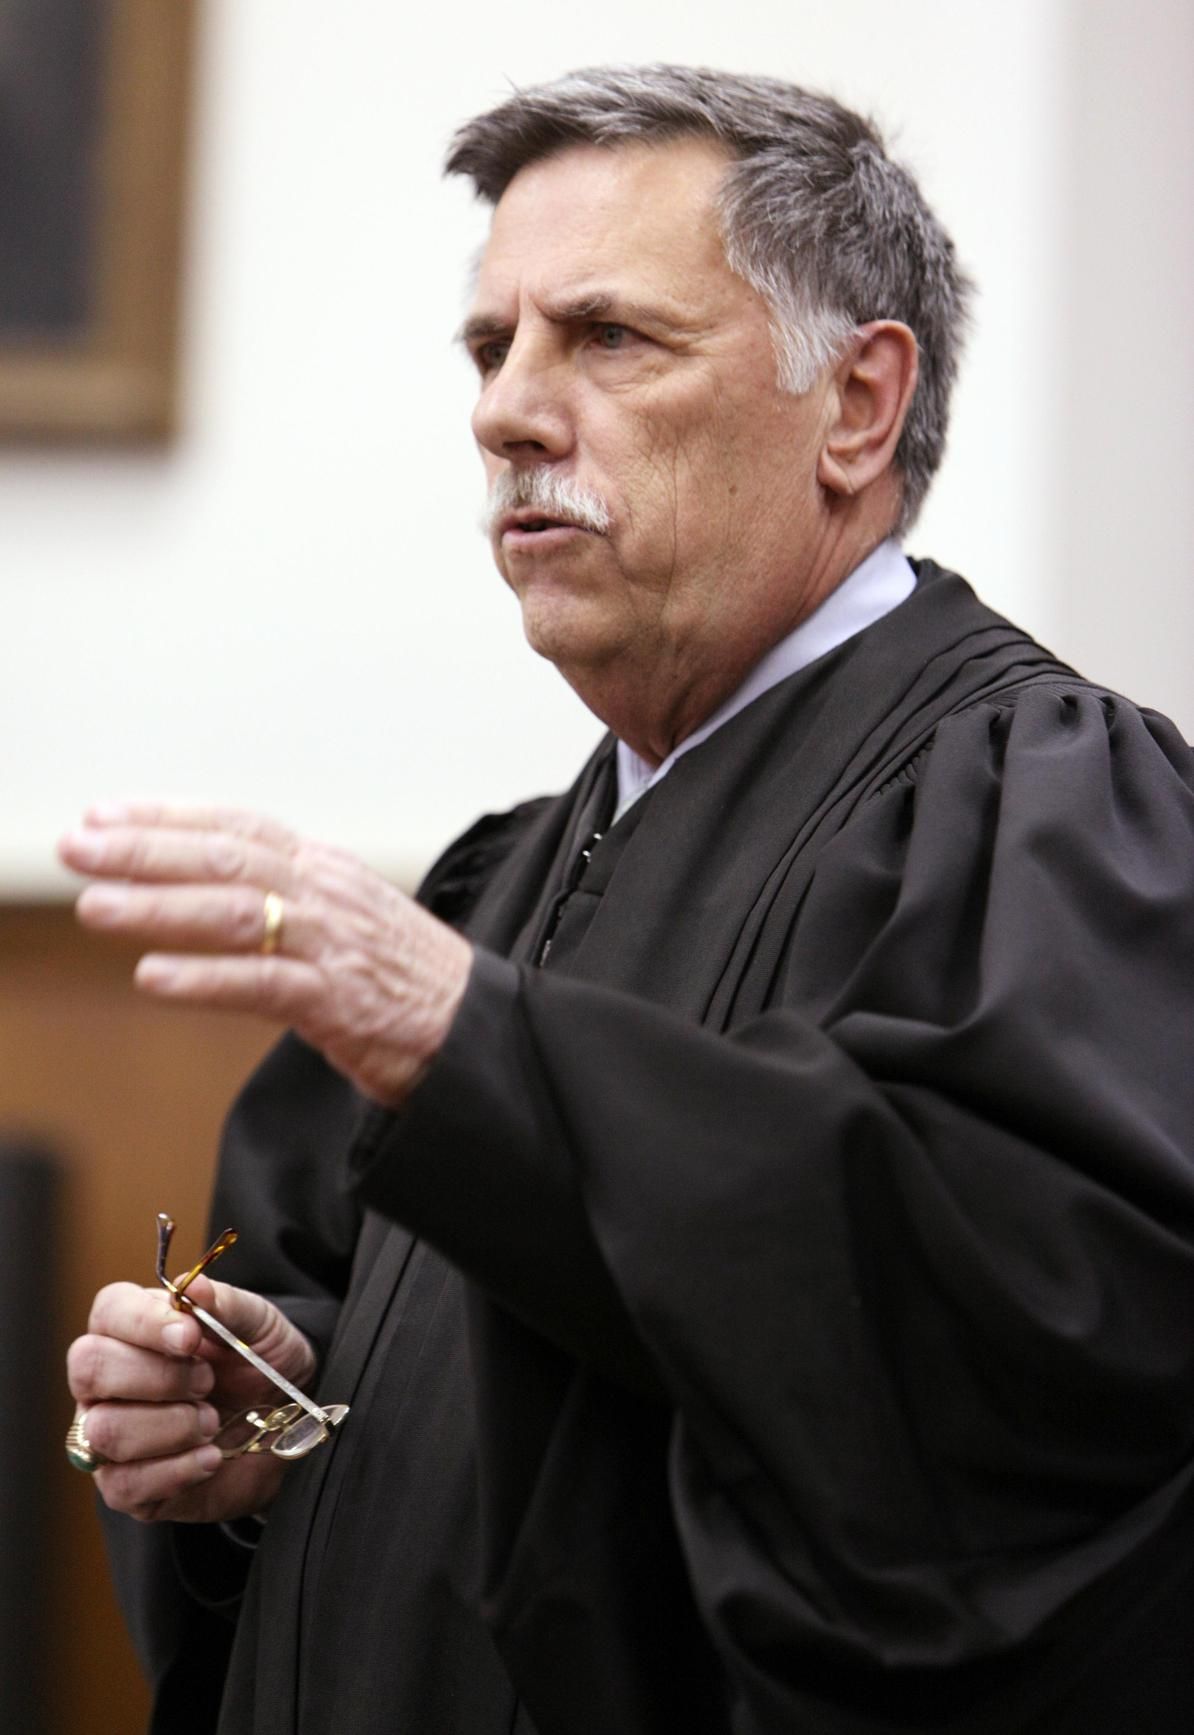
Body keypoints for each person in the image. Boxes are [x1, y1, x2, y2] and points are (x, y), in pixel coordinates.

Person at [60, 64, 1194, 1735]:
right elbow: (369, 1359)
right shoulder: (493, 881)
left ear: (857, 407)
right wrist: (258, 1422)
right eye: (488, 344)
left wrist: (475, 1047)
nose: (506, 410)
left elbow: (1000, 1368)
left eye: (606, 337)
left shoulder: (1041, 809)